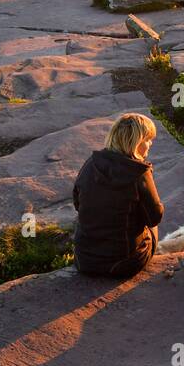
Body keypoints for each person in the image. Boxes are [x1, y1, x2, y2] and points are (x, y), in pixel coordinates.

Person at [72, 112, 164, 279]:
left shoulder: (91, 163)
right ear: (136, 142)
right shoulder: (139, 173)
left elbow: (78, 204)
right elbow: (155, 217)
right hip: (124, 263)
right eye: (148, 139)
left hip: (84, 260)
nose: (150, 144)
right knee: (151, 225)